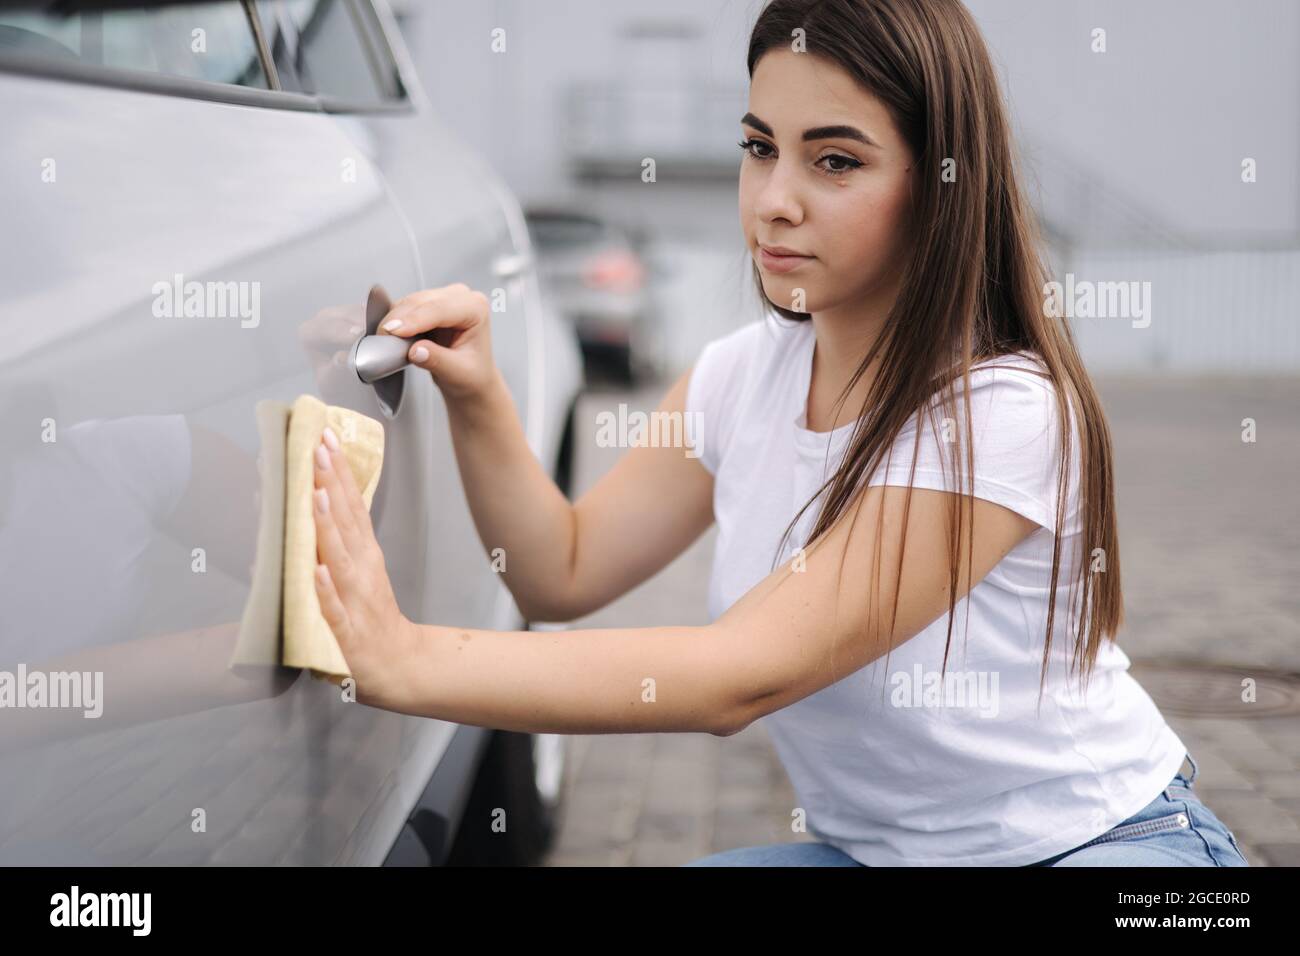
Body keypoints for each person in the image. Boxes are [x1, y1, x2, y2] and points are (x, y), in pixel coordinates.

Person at [304, 0, 1248, 866]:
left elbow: (736, 680)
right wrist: (478, 395)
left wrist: (405, 658)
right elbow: (562, 568)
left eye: (834, 160)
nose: (775, 199)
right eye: (762, 147)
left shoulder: (999, 411)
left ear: (943, 184)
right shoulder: (739, 375)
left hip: (1103, 848)